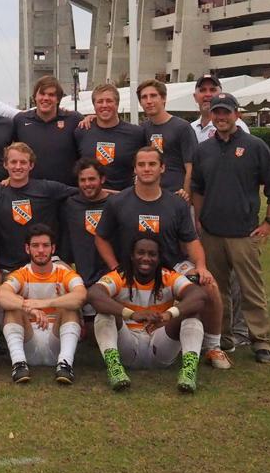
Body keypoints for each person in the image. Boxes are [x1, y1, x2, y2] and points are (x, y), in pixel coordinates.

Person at [94, 146, 231, 369]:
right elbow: (101, 238)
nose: (146, 169)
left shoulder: (176, 203)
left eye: (152, 164)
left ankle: (213, 346)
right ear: (134, 169)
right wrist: (115, 267)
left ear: (162, 168)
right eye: (141, 164)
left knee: (209, 286)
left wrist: (201, 266)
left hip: (172, 266)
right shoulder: (117, 202)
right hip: (133, 268)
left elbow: (191, 240)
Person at [192, 93, 270, 363]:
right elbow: (197, 188)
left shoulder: (255, 146)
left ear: (237, 115)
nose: (221, 117)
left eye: (226, 112)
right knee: (217, 291)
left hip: (244, 234)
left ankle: (261, 340)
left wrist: (269, 222)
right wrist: (198, 221)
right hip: (211, 233)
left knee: (251, 289)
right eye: (216, 112)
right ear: (211, 115)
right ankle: (221, 339)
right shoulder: (204, 150)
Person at [88, 235, 209, 393]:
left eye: (152, 254)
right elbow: (94, 294)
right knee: (104, 314)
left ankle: (189, 371)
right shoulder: (120, 276)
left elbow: (199, 296)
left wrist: (168, 314)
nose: (146, 258)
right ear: (132, 255)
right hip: (128, 347)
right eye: (141, 253)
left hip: (160, 347)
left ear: (159, 258)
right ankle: (114, 368)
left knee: (192, 313)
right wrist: (131, 314)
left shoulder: (169, 276)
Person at [189, 73, 249, 348]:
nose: (208, 94)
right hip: (201, 210)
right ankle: (215, 328)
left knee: (236, 275)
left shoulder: (241, 129)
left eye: (213, 89)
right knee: (210, 271)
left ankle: (239, 330)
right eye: (203, 90)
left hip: (232, 213)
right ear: (196, 97)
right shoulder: (191, 130)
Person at [0, 224, 87, 384]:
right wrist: (28, 307)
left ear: (53, 248)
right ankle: (19, 364)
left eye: (45, 245)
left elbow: (81, 296)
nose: (41, 250)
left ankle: (65, 365)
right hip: (28, 342)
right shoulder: (22, 273)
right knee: (13, 308)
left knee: (69, 306)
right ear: (27, 249)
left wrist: (44, 303)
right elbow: (0, 295)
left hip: (56, 340)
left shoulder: (64, 272)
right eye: (35, 246)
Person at [0, 143, 77, 272]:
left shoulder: (47, 189)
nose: (18, 166)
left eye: (23, 162)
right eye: (13, 162)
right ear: (5, 164)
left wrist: (109, 194)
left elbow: (86, 192)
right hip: (9, 269)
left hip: (46, 263)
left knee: (76, 284)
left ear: (31, 165)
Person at [59, 158, 111, 332]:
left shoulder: (115, 204)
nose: (87, 184)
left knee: (105, 326)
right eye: (83, 180)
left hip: (109, 276)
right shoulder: (70, 205)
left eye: (92, 179)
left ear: (102, 179)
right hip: (81, 277)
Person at [74, 83, 148, 190]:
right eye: (100, 101)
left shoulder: (136, 133)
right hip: (91, 199)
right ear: (94, 105)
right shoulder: (82, 131)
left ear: (117, 104)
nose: (104, 105)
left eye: (109, 101)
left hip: (123, 199)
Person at [13, 75, 84, 186]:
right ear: (35, 97)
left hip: (67, 193)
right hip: (31, 192)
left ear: (58, 99)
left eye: (51, 95)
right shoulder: (20, 120)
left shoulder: (74, 119)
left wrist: (92, 118)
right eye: (42, 94)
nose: (45, 98)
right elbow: (8, 153)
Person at [138, 79, 197, 196]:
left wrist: (186, 195)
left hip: (175, 194)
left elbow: (191, 168)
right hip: (150, 196)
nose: (149, 101)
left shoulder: (182, 127)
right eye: (144, 97)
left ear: (164, 98)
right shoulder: (142, 129)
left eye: (153, 96)